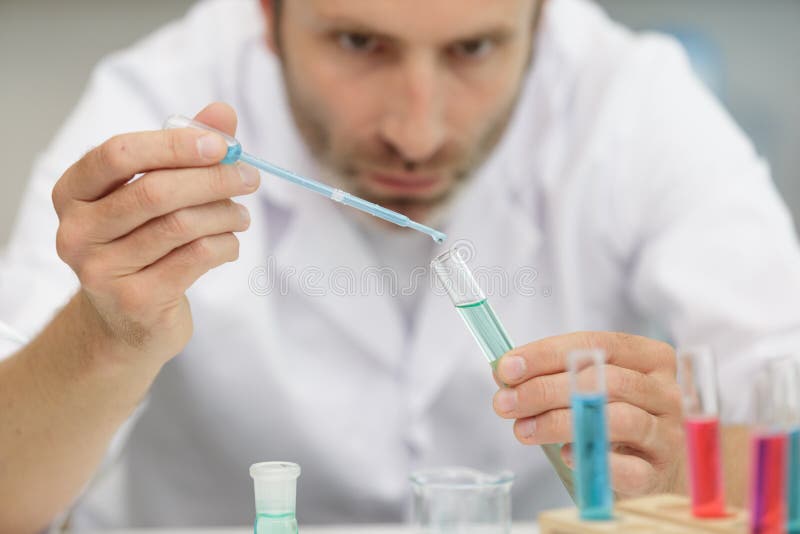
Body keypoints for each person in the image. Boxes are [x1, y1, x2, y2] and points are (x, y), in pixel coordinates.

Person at [1, 0, 799, 531]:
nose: (417, 133)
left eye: (474, 49)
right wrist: (102, 338)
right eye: (360, 43)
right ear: (269, 16)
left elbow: (785, 402)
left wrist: (689, 476)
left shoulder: (629, 97)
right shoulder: (154, 103)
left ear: (542, 19)